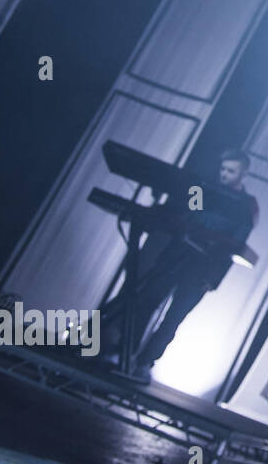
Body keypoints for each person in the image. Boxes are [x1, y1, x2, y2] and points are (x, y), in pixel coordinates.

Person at [102, 148, 259, 383]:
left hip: (203, 269)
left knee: (174, 318)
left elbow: (236, 243)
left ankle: (145, 362)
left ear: (244, 173)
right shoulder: (203, 189)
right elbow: (188, 215)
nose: (224, 175)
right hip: (176, 257)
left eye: (231, 171)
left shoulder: (247, 206)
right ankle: (125, 352)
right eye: (223, 169)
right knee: (146, 303)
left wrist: (212, 276)